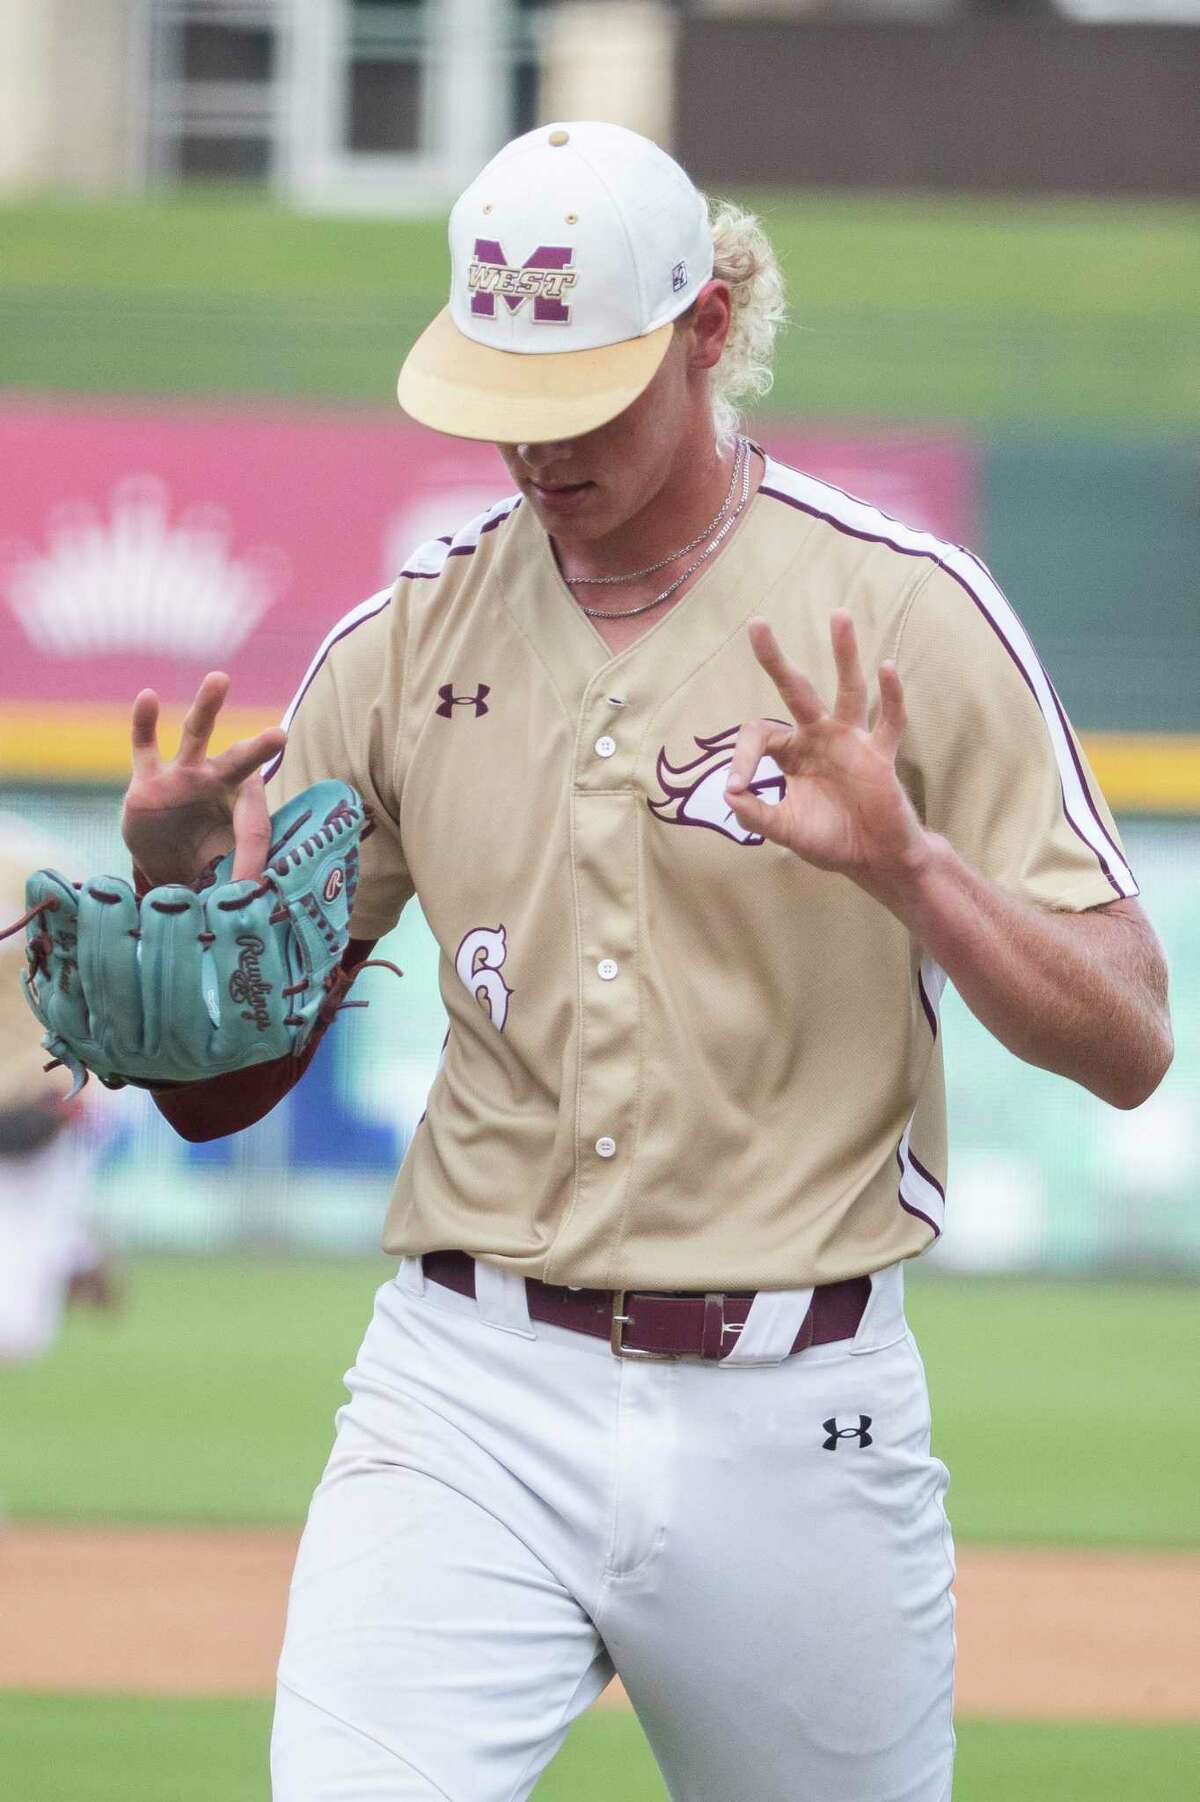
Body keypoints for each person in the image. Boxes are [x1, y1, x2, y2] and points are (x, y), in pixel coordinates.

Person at [120, 123, 1171, 1802]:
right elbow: (221, 1095)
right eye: (500, 394)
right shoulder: (394, 650)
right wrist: (184, 907)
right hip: (465, 1386)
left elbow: (1129, 1036)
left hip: (802, 1410)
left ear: (709, 322)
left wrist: (912, 864)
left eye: (582, 390)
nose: (534, 444)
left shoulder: (903, 613)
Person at [0, 819, 120, 1372]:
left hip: (40, 1099)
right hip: (42, 1095)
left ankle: (73, 1249)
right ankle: (75, 1251)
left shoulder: (33, 858)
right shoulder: (40, 858)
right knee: (18, 1329)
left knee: (19, 1330)